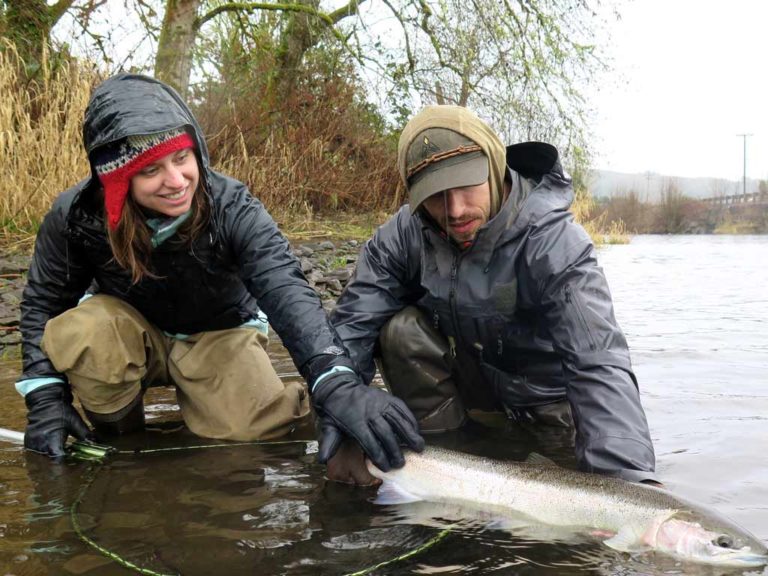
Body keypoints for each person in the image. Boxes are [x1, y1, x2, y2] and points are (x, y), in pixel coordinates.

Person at [16, 73, 424, 471]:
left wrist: (335, 380)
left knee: (254, 434)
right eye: (150, 170)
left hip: (220, 330)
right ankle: (122, 444)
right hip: (127, 332)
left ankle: (312, 411)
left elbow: (286, 289)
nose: (176, 181)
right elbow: (43, 304)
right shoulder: (74, 216)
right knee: (86, 333)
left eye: (182, 158)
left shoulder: (233, 208)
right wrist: (46, 397)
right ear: (118, 181)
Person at [330, 105, 659, 484]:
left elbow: (598, 363)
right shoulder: (403, 237)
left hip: (548, 405)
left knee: (587, 467)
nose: (455, 210)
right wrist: (341, 408)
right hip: (472, 390)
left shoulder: (553, 241)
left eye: (466, 185)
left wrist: (624, 484)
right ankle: (443, 460)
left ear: (494, 167)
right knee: (401, 331)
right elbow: (351, 328)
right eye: (435, 195)